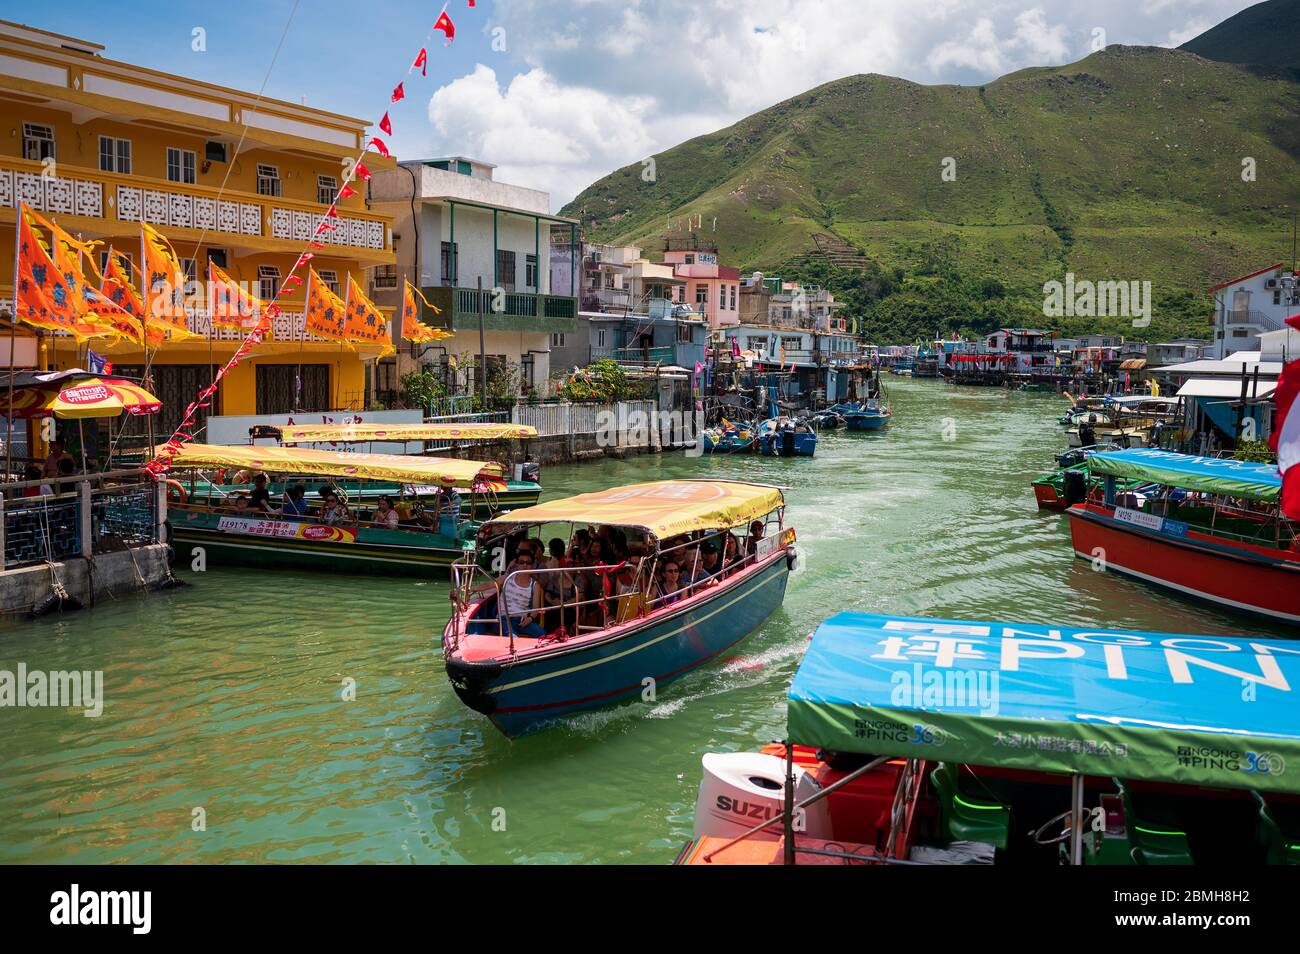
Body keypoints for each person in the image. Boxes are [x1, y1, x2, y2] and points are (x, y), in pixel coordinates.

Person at [501, 548, 546, 638]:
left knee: (542, 634)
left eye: (528, 562)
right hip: (504, 618)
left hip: (522, 620)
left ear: (532, 565)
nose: (525, 565)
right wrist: (472, 589)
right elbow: (491, 584)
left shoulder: (535, 585)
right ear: (517, 564)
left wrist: (530, 619)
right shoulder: (507, 578)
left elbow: (535, 609)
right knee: (512, 637)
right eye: (521, 562)